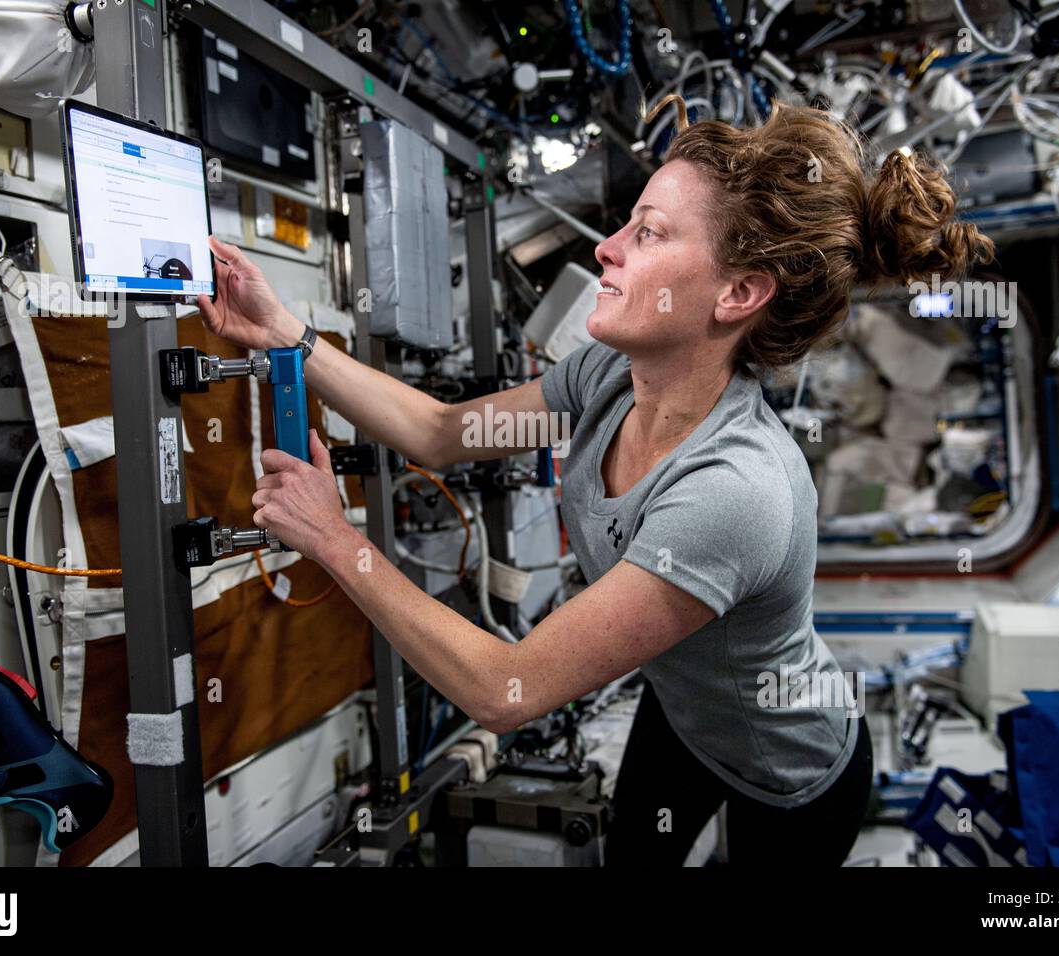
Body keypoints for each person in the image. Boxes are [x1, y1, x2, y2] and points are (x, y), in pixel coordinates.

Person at [196, 94, 994, 866]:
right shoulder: (608, 378)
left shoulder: (734, 490)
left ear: (738, 294)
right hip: (681, 716)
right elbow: (441, 435)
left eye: (647, 234)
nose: (607, 248)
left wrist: (337, 540)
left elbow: (506, 689)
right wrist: (286, 333)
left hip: (792, 767)